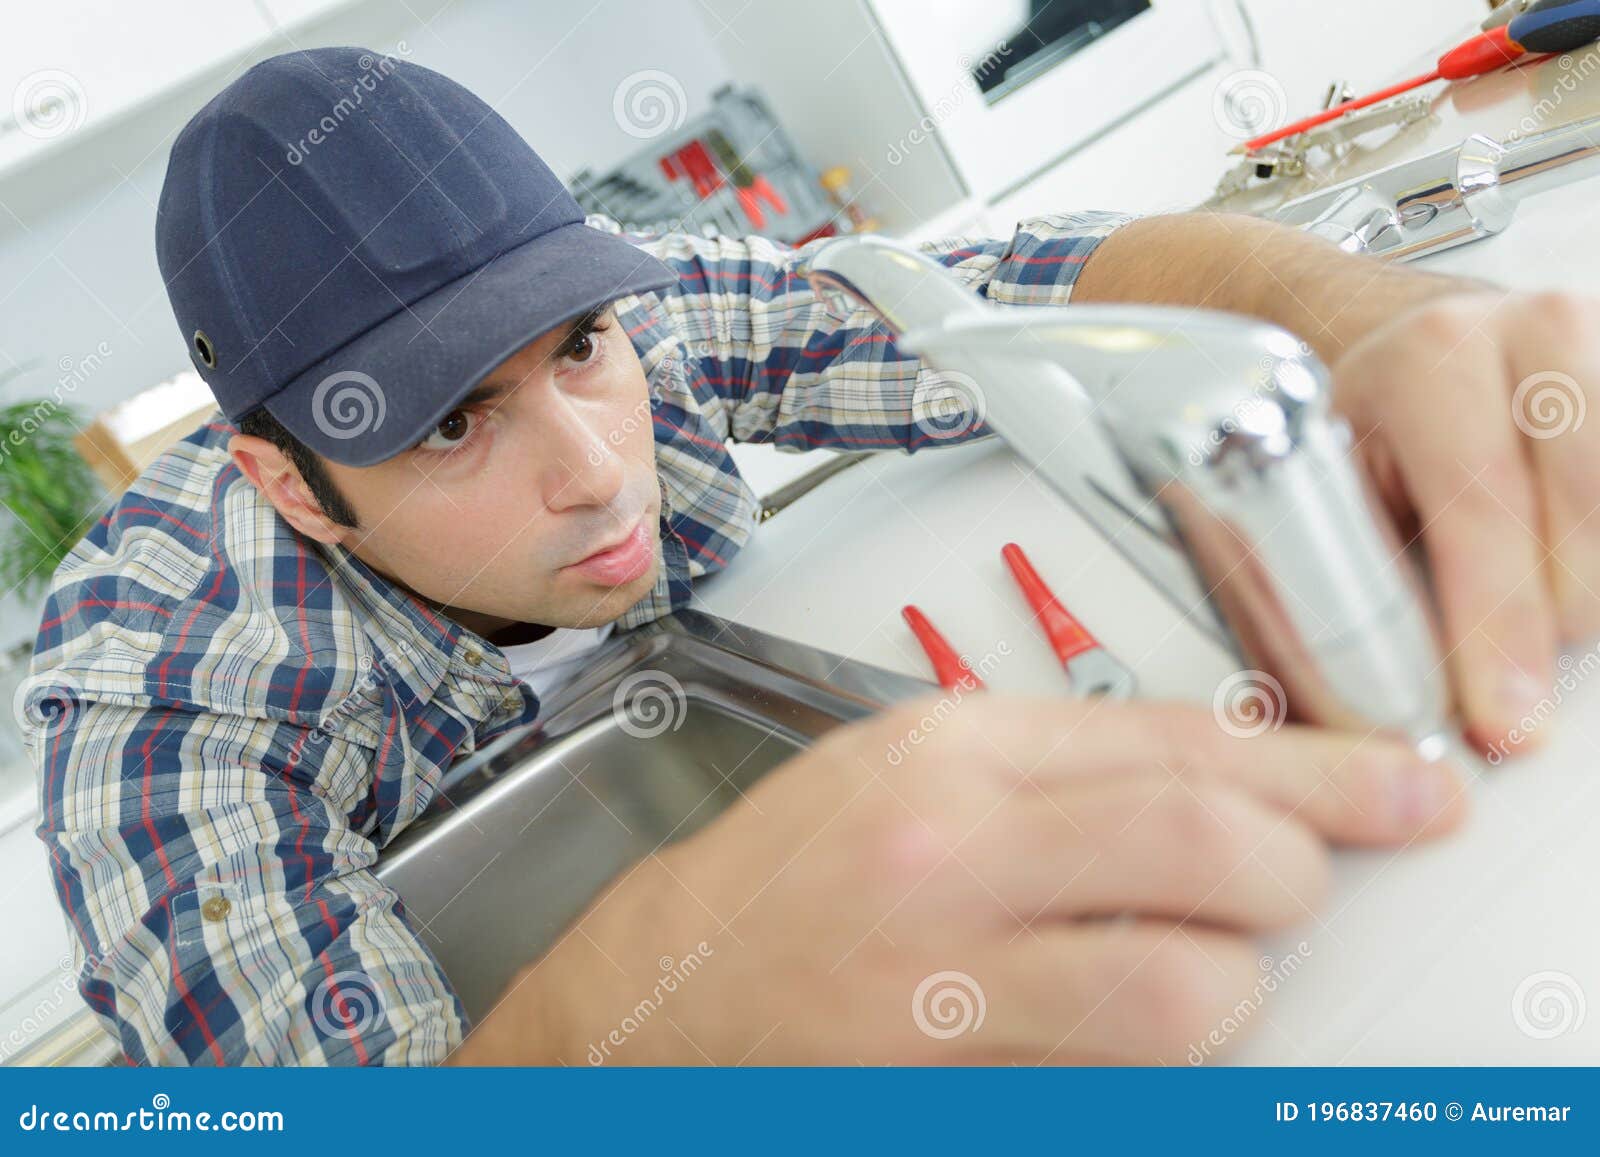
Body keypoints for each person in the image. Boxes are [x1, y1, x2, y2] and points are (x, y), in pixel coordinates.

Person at [21, 46, 1597, 1065]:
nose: (598, 471)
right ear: (293, 488)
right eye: (449, 425)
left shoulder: (635, 322)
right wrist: (652, 1005)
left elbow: (998, 292)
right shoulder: (158, 695)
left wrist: (1364, 314)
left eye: (576, 348)